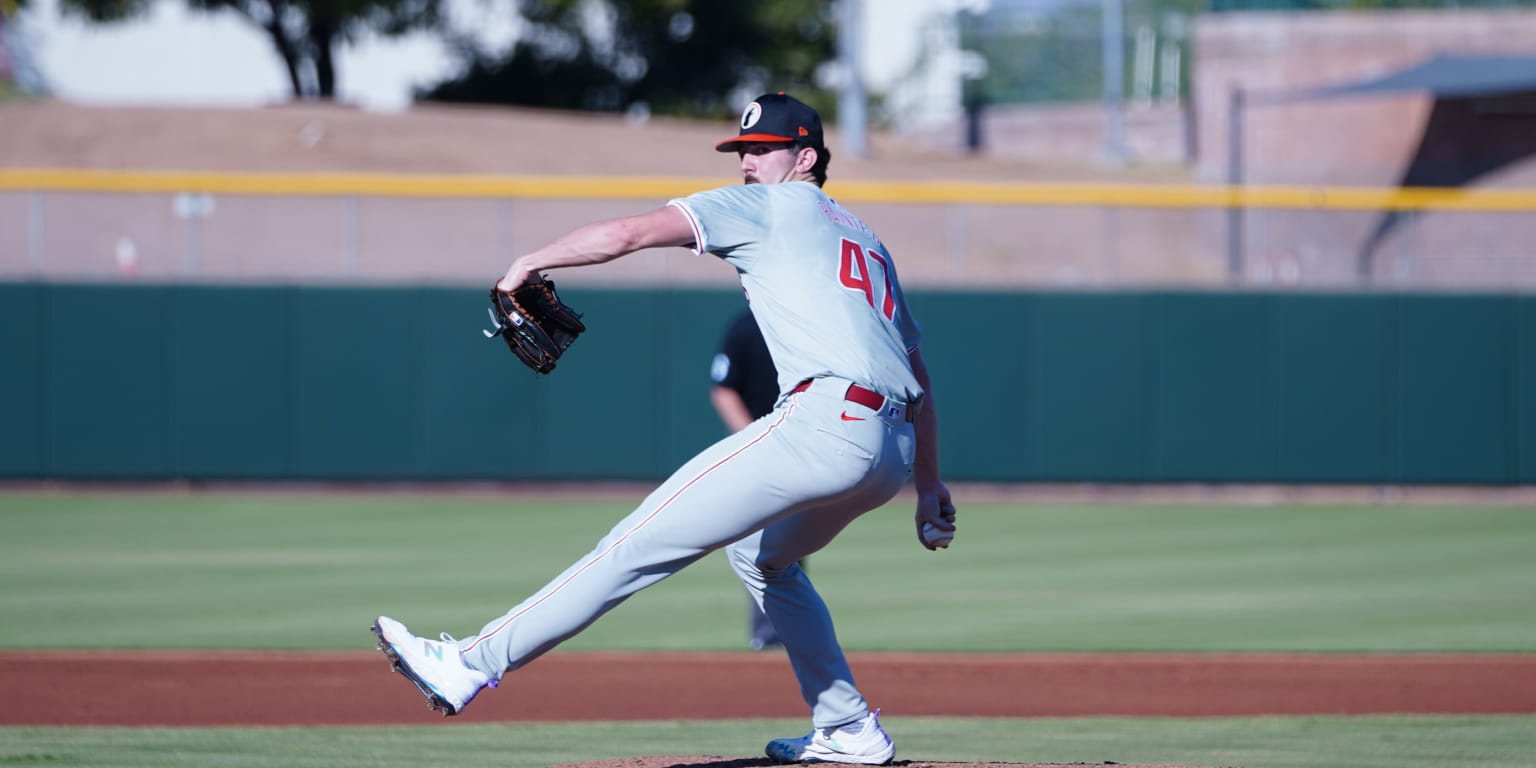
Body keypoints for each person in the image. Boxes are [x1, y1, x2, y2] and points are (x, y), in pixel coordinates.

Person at [372, 92, 955, 766]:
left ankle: (470, 662)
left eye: (762, 151)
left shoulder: (766, 206)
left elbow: (630, 233)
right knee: (761, 558)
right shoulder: (865, 239)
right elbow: (920, 373)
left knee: (634, 544)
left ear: (806, 157)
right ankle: (848, 726)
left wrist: (532, 260)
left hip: (825, 423)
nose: (747, 163)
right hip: (890, 448)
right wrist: (929, 484)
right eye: (742, 151)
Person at [709, 307, 802, 651]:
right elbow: (723, 389)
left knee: (789, 541)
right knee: (760, 540)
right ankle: (769, 635)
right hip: (757, 449)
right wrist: (754, 439)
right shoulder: (746, 327)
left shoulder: (807, 320)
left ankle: (782, 633)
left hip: (802, 448)